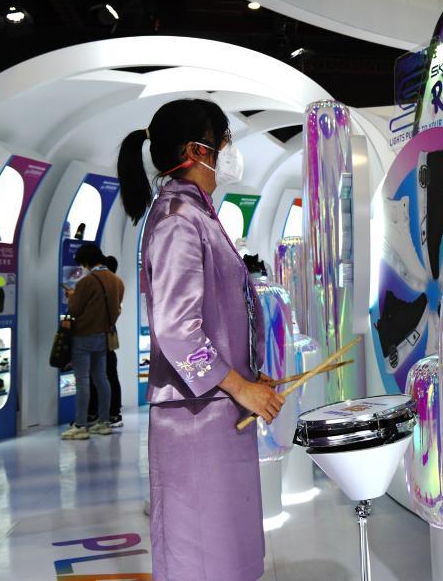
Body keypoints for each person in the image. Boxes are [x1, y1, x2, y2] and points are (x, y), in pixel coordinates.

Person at [117, 98, 284, 581]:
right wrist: (240, 386)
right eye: (224, 140)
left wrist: (249, 375)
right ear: (196, 150)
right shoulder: (176, 219)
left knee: (227, 546)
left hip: (216, 410)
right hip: (194, 419)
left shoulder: (198, 213)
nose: (229, 150)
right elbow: (176, 329)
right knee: (202, 552)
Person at [61, 243, 125, 440]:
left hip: (83, 336)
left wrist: (71, 296)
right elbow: (116, 309)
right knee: (102, 378)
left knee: (82, 380)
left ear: (87, 261)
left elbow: (75, 309)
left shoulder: (87, 282)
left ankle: (80, 425)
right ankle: (104, 422)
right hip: (103, 336)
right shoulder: (117, 281)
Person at [85, 254, 124, 427]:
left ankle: (110, 413)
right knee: (103, 375)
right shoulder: (115, 285)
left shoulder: (109, 287)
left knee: (104, 375)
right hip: (106, 337)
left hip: (100, 337)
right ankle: (104, 412)